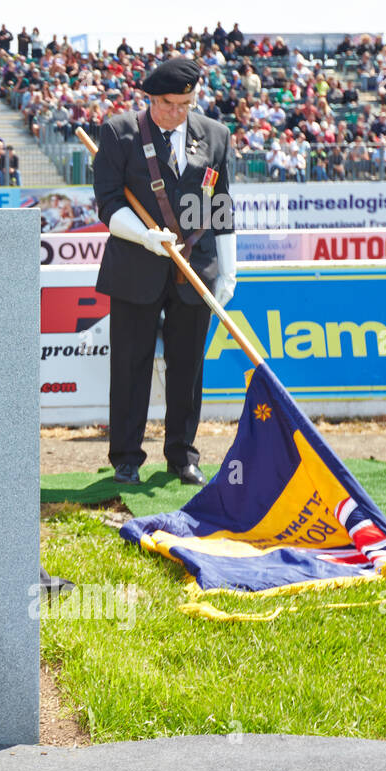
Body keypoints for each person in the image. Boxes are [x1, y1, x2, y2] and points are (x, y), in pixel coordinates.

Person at [92, 57, 236, 487]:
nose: (179, 112)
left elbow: (220, 204)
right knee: (131, 364)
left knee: (189, 365)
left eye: (187, 103)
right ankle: (126, 458)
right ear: (152, 98)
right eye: (170, 103)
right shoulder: (120, 133)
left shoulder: (215, 134)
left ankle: (182, 455)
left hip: (196, 268)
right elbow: (109, 203)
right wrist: (145, 237)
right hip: (137, 265)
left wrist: (228, 270)